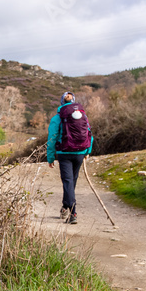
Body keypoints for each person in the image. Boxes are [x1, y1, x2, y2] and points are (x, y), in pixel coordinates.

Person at [47, 91, 93, 224]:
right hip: (80, 152)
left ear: (62, 102)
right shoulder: (83, 115)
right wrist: (87, 151)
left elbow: (52, 138)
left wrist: (50, 157)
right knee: (71, 182)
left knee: (68, 182)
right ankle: (65, 207)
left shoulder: (57, 118)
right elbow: (89, 133)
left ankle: (73, 213)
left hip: (64, 153)